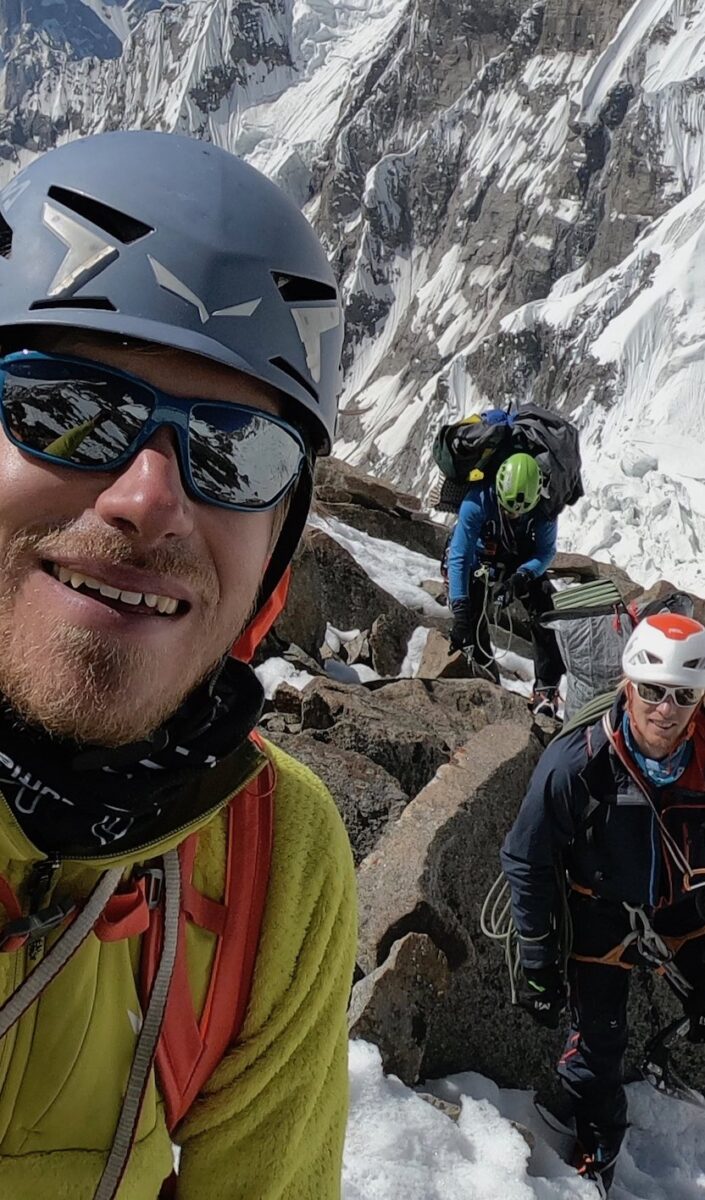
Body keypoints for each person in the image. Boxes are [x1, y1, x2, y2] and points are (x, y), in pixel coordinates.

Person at [0, 130, 356, 1199]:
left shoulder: (270, 861)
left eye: (236, 449)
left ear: (276, 562)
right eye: (64, 408)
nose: (147, 500)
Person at [500, 613, 705, 1195]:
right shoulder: (578, 765)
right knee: (597, 1043)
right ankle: (599, 1142)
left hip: (684, 898)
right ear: (627, 685)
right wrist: (539, 958)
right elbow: (527, 856)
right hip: (602, 912)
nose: (665, 709)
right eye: (652, 690)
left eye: (683, 695)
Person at [446, 451, 564, 712]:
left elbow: (546, 552)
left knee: (545, 606)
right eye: (507, 508)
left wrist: (521, 577)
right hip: (479, 556)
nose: (511, 514)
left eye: (518, 512)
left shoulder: (545, 507)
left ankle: (546, 689)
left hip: (517, 559)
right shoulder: (477, 499)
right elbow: (459, 556)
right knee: (473, 619)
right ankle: (488, 684)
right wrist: (461, 612)